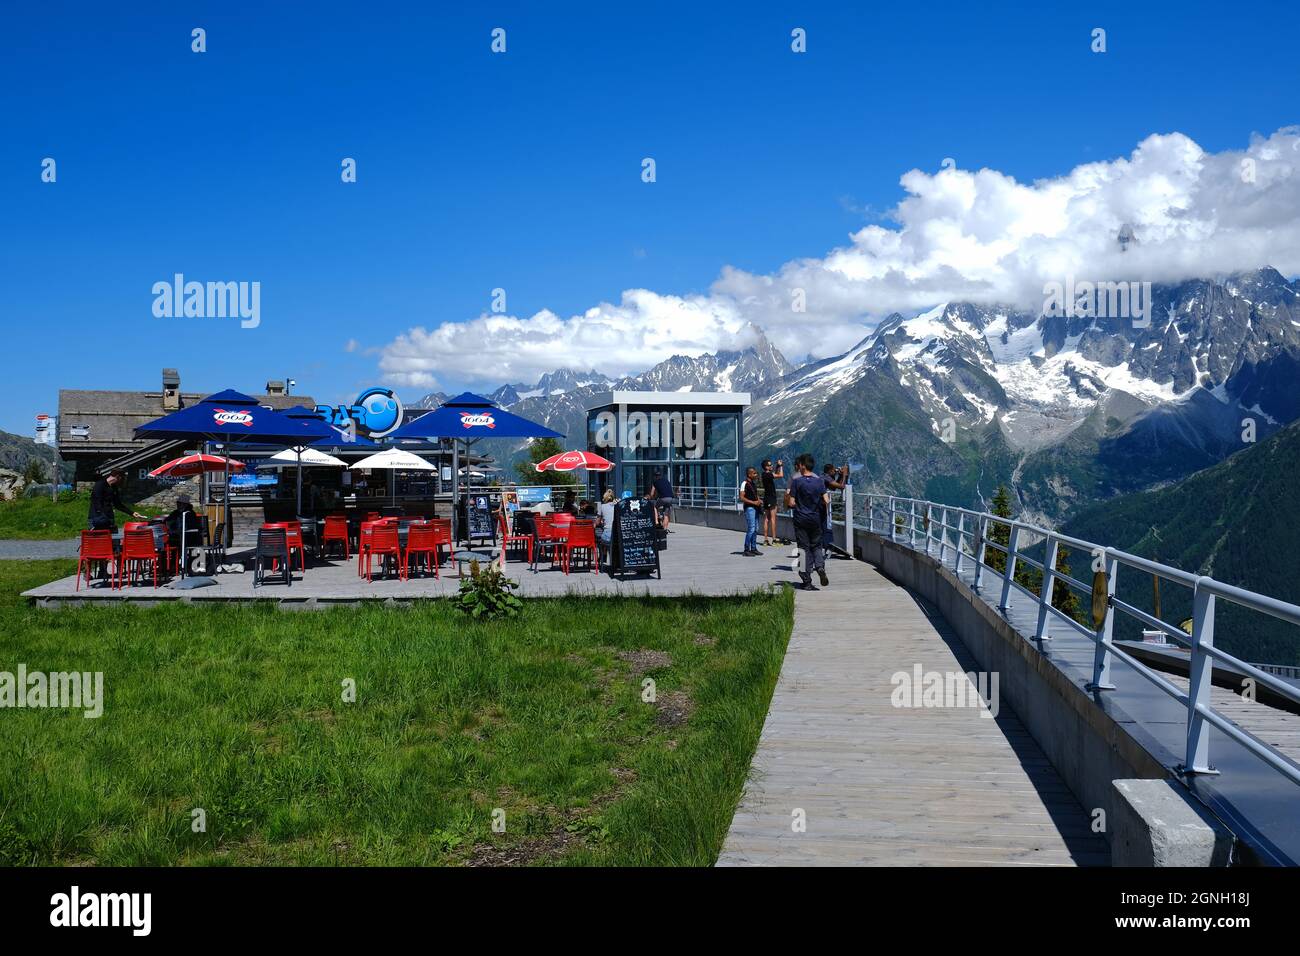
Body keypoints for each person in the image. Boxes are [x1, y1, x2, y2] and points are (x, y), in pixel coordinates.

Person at [784, 453, 829, 590]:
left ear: (803, 466)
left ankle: (807, 580)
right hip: (815, 519)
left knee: (803, 549)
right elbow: (826, 500)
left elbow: (791, 502)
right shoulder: (819, 481)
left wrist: (796, 503)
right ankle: (820, 567)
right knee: (816, 546)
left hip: (801, 519)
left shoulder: (797, 482)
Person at [822, 463, 849, 553]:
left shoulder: (824, 477)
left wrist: (840, 475)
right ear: (829, 471)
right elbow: (841, 486)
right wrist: (844, 474)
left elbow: (833, 487)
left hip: (818, 505)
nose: (835, 471)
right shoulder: (826, 477)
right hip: (820, 506)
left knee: (824, 526)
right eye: (834, 470)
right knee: (825, 526)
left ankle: (826, 545)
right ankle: (827, 545)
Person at [739, 467, 763, 556]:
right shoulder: (744, 483)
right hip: (749, 508)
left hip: (755, 508)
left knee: (756, 528)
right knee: (751, 528)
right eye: (754, 473)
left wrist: (759, 500)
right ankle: (746, 549)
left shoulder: (752, 483)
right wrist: (753, 502)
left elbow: (754, 495)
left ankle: (753, 548)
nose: (756, 475)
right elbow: (741, 497)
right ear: (749, 474)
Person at [760, 458, 783, 546]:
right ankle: (774, 539)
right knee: (773, 519)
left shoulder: (764, 474)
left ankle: (765, 539)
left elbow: (775, 474)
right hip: (771, 498)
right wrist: (780, 466)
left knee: (766, 519)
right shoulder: (768, 475)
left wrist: (777, 466)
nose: (771, 466)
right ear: (766, 467)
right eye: (770, 465)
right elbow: (780, 475)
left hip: (766, 498)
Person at [596, 488, 617, 564]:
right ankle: (615, 559)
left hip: (608, 534)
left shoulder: (602, 506)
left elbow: (597, 523)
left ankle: (603, 556)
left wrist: (602, 522)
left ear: (605, 499)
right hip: (618, 535)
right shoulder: (617, 505)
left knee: (600, 539)